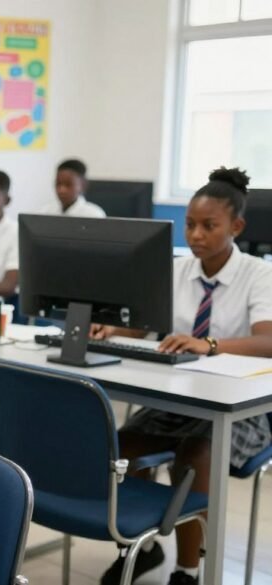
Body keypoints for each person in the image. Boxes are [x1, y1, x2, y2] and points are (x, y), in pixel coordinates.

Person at [92, 167, 272, 585]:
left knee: (196, 456)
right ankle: (141, 546)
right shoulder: (176, 269)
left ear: (237, 226)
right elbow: (145, 325)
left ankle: (188, 571)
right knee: (124, 448)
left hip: (238, 411)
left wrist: (207, 344)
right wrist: (115, 329)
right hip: (179, 400)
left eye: (209, 226)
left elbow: (268, 341)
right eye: (190, 225)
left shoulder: (258, 275)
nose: (196, 235)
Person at [39, 158, 106, 218]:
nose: (62, 190)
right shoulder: (45, 212)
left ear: (83, 185)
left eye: (68, 185)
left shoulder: (94, 215)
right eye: (58, 184)